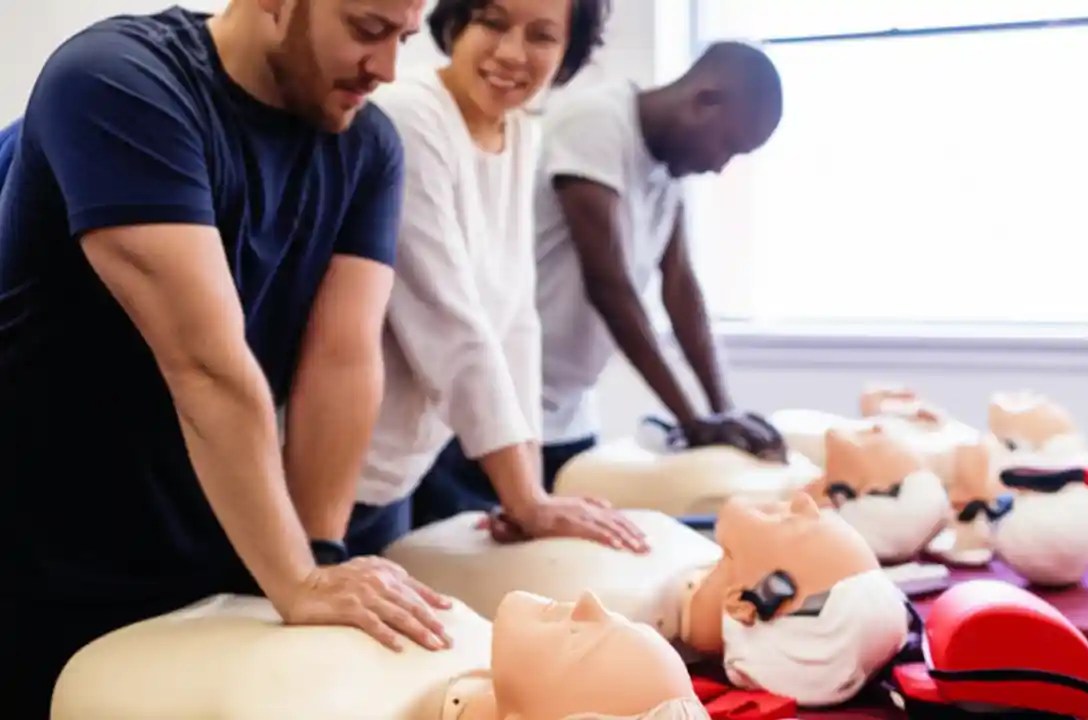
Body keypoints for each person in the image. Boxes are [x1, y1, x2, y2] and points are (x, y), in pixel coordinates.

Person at [0, 1, 455, 716]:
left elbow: (340, 360)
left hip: (205, 523)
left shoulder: (367, 145)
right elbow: (205, 365)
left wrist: (318, 555)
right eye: (368, 31)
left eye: (403, 37)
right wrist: (296, 582)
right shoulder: (117, 82)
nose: (388, 69)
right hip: (39, 536)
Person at [345, 0, 647, 556]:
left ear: (567, 53)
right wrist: (526, 499)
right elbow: (449, 320)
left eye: (541, 36)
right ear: (457, 21)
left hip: (399, 470)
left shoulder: (519, 134)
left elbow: (514, 324)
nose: (512, 53)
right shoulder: (409, 115)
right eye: (493, 22)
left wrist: (527, 494)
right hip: (329, 469)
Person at [533, 40, 788, 486]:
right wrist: (691, 420)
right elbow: (609, 286)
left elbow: (682, 290)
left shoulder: (667, 171)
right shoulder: (597, 123)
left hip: (569, 410)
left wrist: (721, 409)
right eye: (728, 145)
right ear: (705, 99)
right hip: (502, 405)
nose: (718, 166)